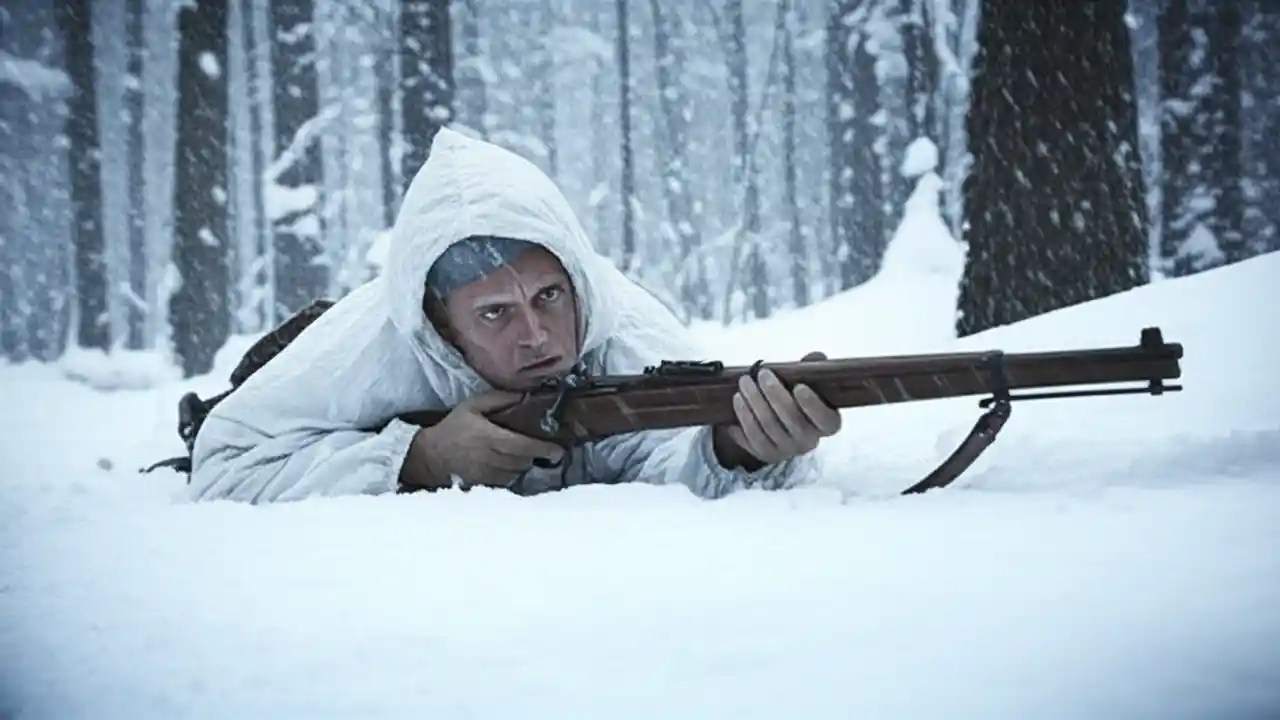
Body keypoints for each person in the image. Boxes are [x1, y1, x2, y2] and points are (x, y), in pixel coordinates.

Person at [189, 128, 841, 503]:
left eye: (549, 296)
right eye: (494, 313)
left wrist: (738, 450)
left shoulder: (623, 330)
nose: (536, 336)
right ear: (441, 326)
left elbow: (667, 457)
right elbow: (225, 463)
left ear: (576, 283)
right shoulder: (371, 346)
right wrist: (416, 460)